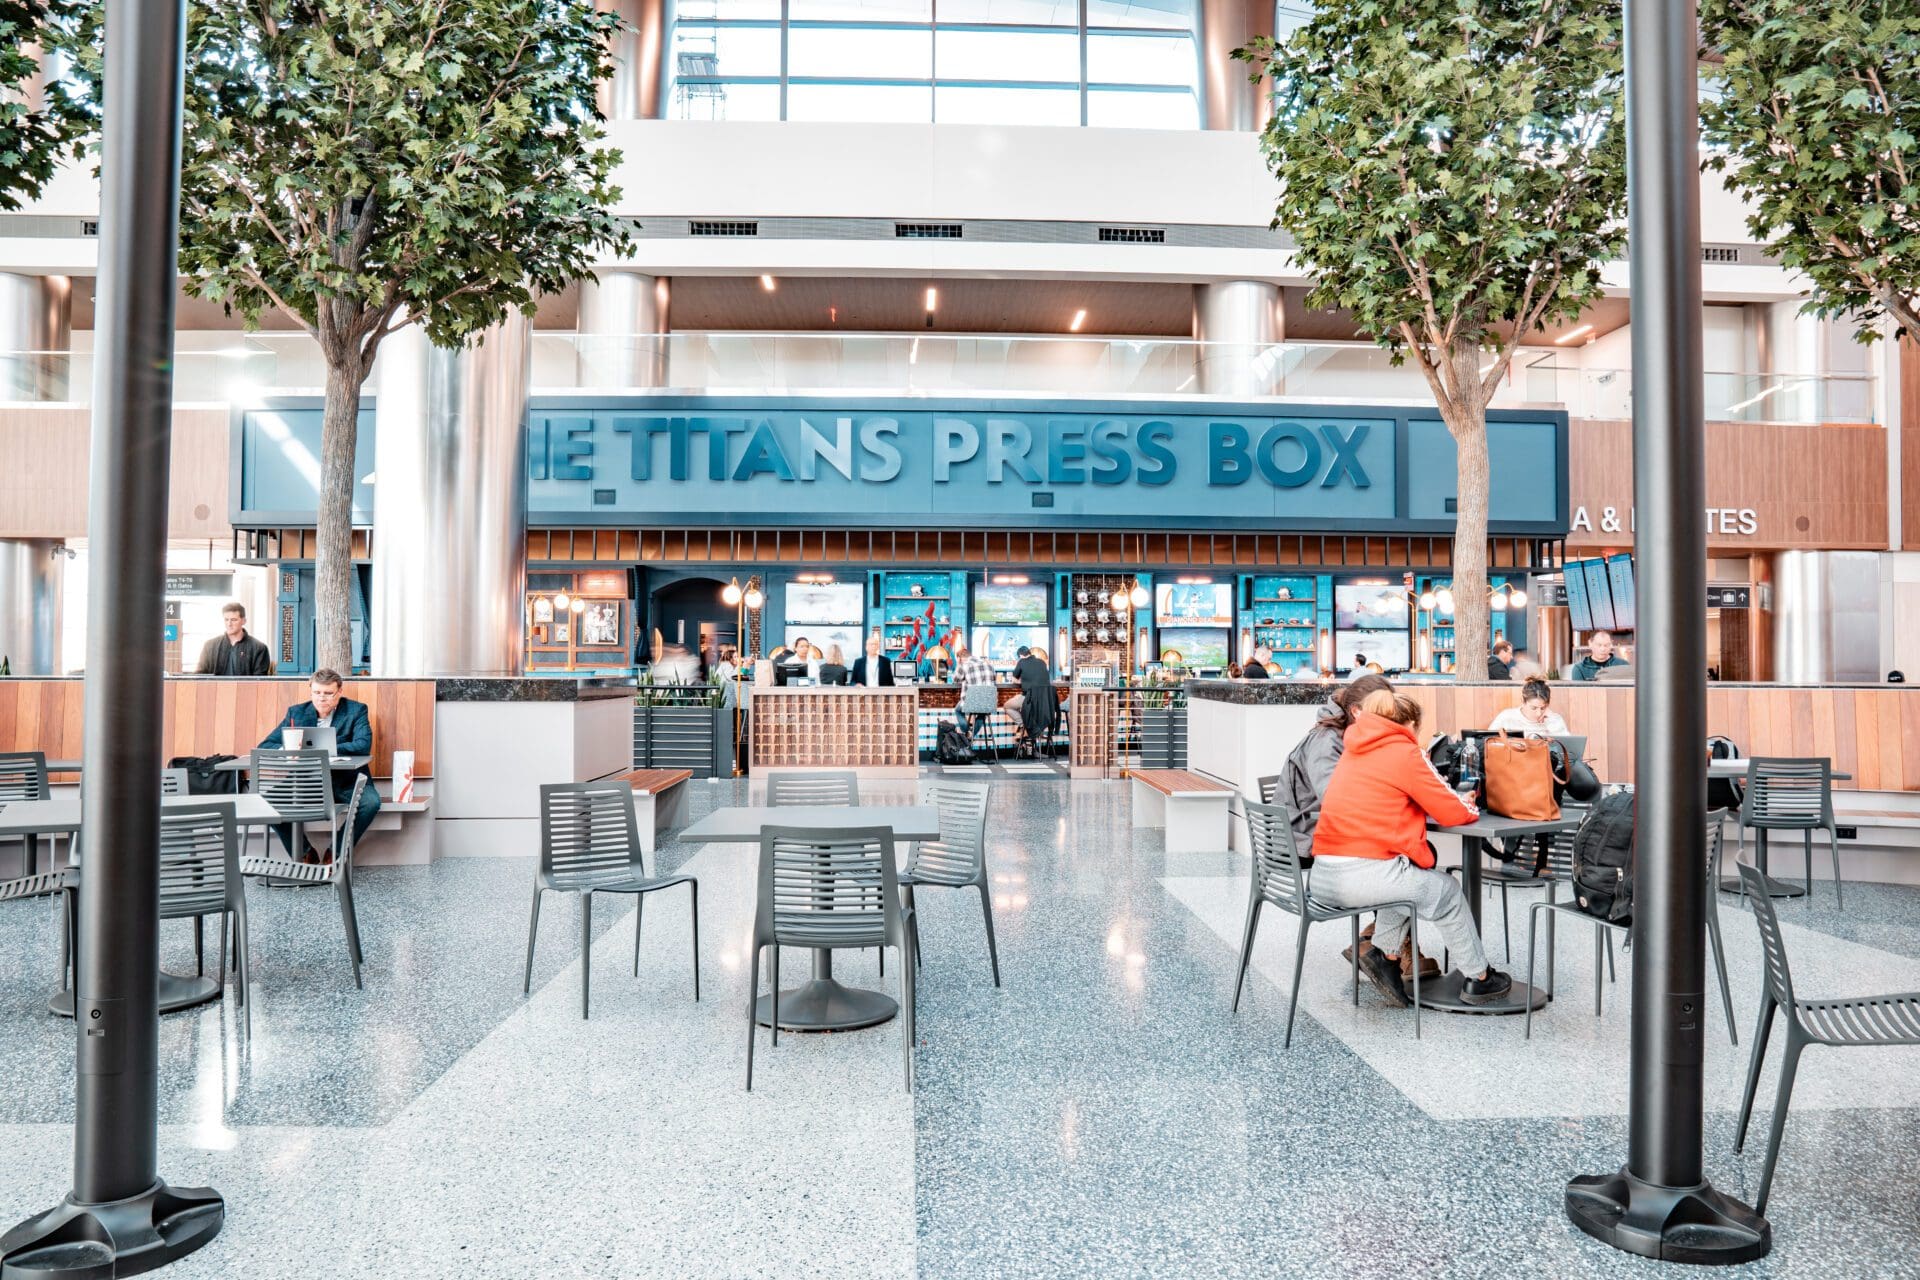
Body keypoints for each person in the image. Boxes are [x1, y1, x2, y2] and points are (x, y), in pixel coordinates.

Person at [1310, 689, 1512, 1007]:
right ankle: (1480, 978)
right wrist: (1468, 806)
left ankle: (1386, 955)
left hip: (1323, 876)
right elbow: (1452, 812)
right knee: (1446, 892)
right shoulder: (1403, 751)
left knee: (1411, 876)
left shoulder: (1354, 748)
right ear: (1409, 724)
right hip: (1361, 877)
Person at [258, 668, 380, 863]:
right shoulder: (296, 713)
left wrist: (324, 750)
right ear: (311, 690)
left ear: (339, 692)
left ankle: (337, 853)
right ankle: (306, 854)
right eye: (317, 692)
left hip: (347, 781)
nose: (321, 698)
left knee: (371, 802)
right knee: (265, 802)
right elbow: (266, 745)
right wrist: (288, 748)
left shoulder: (356, 710)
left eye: (328, 693)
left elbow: (362, 745)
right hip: (306, 781)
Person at [196, 602, 274, 675]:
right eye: (226, 620)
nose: (229, 624)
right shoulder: (210, 646)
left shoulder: (259, 648)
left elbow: (259, 683)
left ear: (244, 621)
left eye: (233, 620)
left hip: (245, 690)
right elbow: (199, 676)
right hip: (215, 689)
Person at [1488, 677, 1570, 738]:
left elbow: (1566, 750)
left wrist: (1551, 721)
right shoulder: (1507, 717)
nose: (1538, 713)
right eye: (1533, 708)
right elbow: (1487, 742)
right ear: (1523, 702)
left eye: (1543, 708)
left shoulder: (1554, 719)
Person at [1013, 645, 1053, 757]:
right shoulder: (1042, 662)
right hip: (1045, 702)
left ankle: (1023, 726)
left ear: (1020, 655)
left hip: (1029, 699)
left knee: (1007, 706)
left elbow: (1014, 679)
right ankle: (1029, 729)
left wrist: (1025, 682)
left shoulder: (1021, 662)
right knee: (1032, 713)